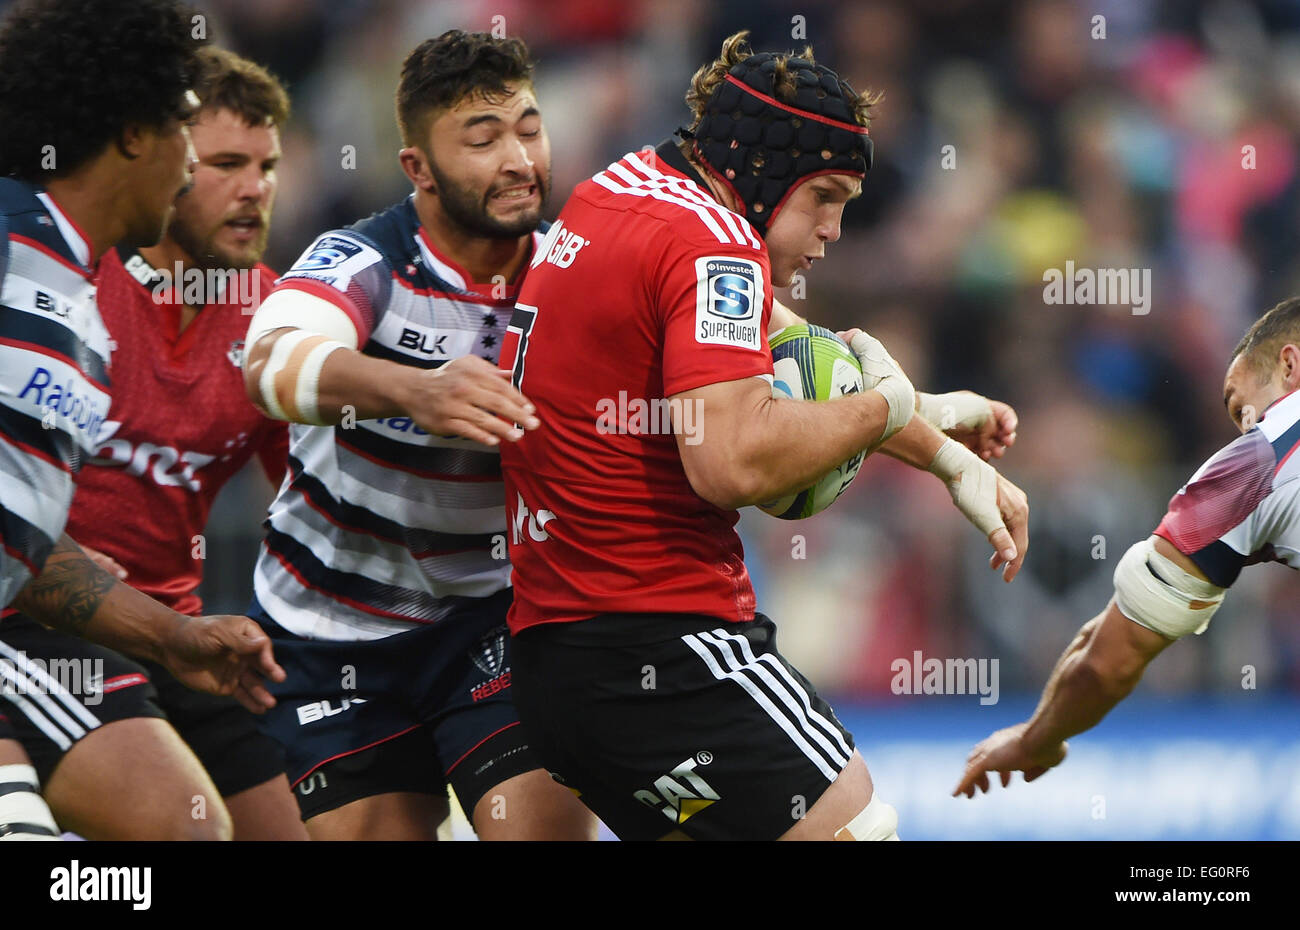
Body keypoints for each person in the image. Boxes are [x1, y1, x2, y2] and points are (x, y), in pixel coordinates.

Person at [496, 30, 1029, 841]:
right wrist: (885, 408)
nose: (834, 231)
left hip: (564, 662)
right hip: (667, 650)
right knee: (859, 827)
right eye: (826, 197)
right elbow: (732, 461)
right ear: (766, 170)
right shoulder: (714, 245)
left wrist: (944, 440)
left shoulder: (621, 191)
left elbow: (800, 363)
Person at [241, 30, 594, 840]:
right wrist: (414, 391)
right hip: (330, 633)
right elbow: (268, 363)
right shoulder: (364, 264)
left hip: (491, 623)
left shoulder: (572, 274)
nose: (518, 160)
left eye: (529, 129)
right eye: (482, 139)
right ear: (419, 169)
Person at [2, 45, 308, 841]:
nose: (255, 189)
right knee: (182, 829)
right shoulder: (60, 282)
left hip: (184, 638)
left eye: (268, 165)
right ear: (163, 155)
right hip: (46, 624)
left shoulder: (274, 316)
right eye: (227, 163)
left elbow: (310, 500)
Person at [954, 296, 1300, 799]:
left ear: (1291, 364)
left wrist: (1038, 740)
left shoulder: (1255, 463)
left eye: (1242, 408)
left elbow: (1109, 660)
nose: (1244, 430)